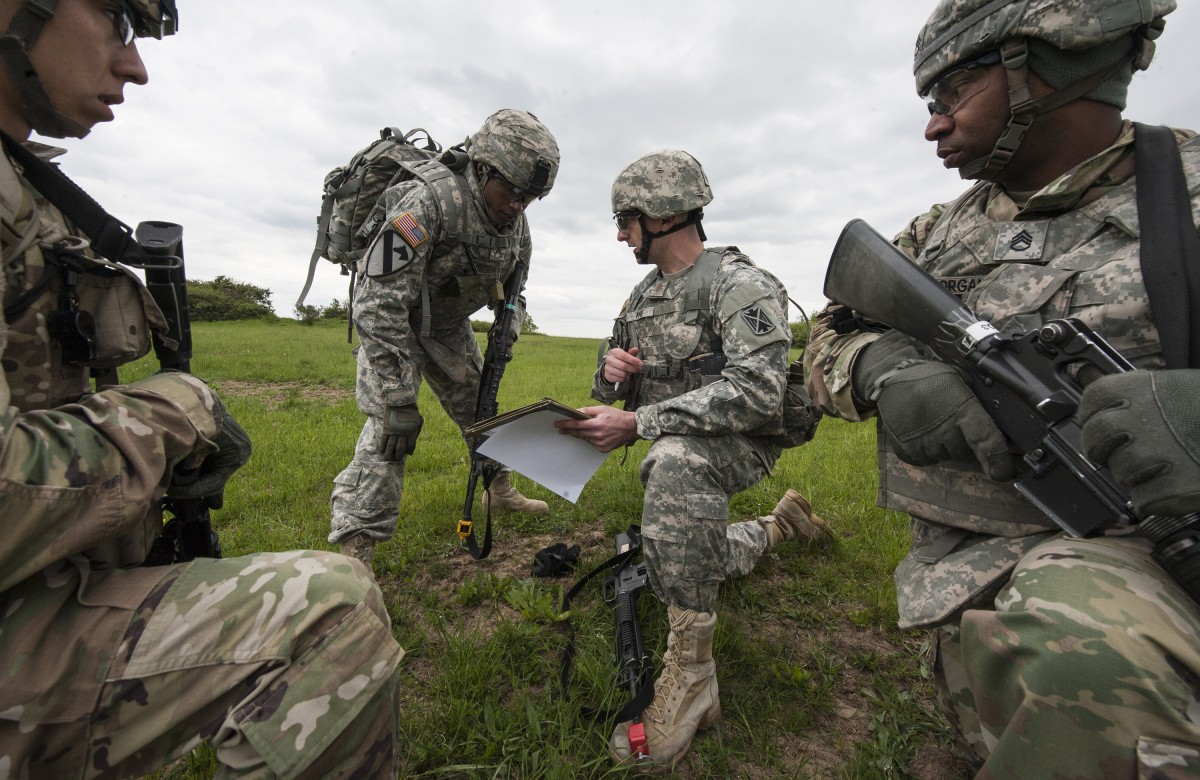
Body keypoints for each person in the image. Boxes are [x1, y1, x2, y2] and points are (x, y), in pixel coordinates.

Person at [0, 1, 403, 776]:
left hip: (44, 588)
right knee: (331, 613)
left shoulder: (29, 189)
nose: (134, 65)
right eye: (118, 22)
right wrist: (173, 411)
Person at [803, 0, 1200, 776]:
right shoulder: (933, 236)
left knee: (1087, 664)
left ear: (1045, 62)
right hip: (968, 575)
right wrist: (884, 370)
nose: (934, 126)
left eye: (952, 94)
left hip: (1145, 563)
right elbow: (828, 337)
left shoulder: (1183, 196)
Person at [555, 149, 831, 772]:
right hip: (679, 436)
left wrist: (640, 423)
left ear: (665, 214)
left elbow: (759, 394)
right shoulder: (644, 295)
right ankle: (780, 528)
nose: (620, 232)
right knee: (676, 553)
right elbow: (608, 391)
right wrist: (610, 373)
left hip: (745, 439)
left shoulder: (742, 286)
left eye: (626, 217)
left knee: (673, 465)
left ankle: (695, 674)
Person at [329, 108, 560, 569]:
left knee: (481, 412)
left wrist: (507, 333)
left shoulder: (516, 228)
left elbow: (515, 294)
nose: (519, 205)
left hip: (447, 327)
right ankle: (357, 548)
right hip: (393, 327)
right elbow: (376, 303)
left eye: (530, 198)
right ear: (481, 169)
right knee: (389, 433)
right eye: (512, 192)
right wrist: (397, 395)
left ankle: (498, 490)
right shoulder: (426, 204)